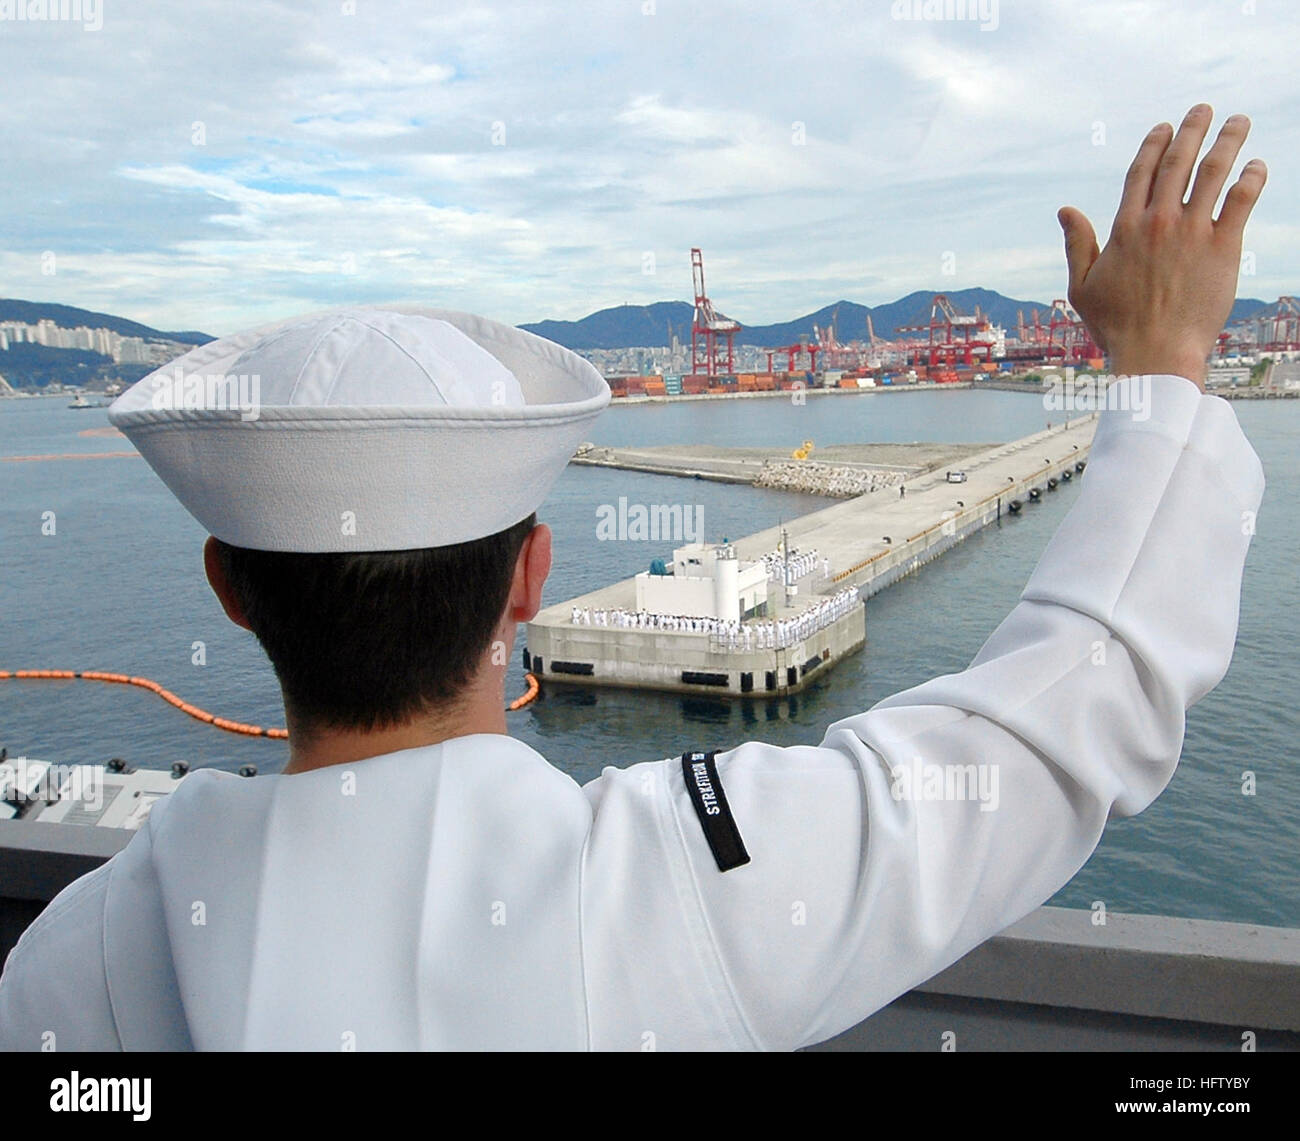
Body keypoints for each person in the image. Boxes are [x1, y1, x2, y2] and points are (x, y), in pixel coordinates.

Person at [0, 106, 1268, 1051]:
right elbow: (1057, 729)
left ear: (228, 587)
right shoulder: (683, 889)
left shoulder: (73, 970)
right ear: (531, 577)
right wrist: (1160, 359)